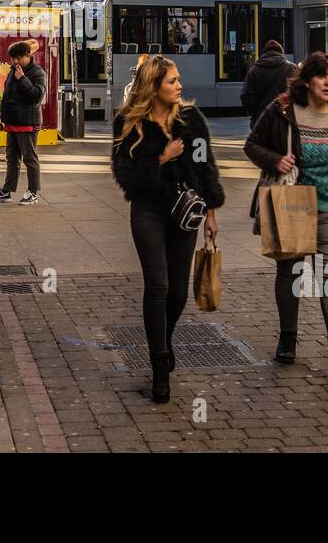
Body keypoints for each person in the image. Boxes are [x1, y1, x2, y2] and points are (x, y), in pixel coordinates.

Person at [244, 52, 328, 379]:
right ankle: (288, 336)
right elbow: (252, 145)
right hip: (293, 204)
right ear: (307, 81)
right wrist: (275, 160)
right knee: (291, 273)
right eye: (321, 76)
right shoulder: (283, 109)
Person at [110, 56, 224, 403]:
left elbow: (205, 167)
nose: (179, 86)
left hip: (183, 213)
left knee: (178, 292)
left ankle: (164, 339)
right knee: (157, 286)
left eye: (178, 80)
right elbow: (125, 175)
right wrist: (161, 158)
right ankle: (160, 367)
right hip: (147, 210)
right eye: (172, 81)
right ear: (153, 88)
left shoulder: (191, 121)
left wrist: (212, 211)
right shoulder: (129, 123)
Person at [0, 41, 46, 206]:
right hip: (12, 122)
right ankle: (7, 190)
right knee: (11, 158)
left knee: (29, 158)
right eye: (13, 58)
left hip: (28, 122)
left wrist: (23, 80)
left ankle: (32, 192)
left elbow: (36, 96)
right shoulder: (13, 71)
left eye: (19, 58)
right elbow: (8, 95)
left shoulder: (37, 73)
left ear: (28, 55)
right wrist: (2, 116)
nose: (15, 62)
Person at [240, 39, 294, 127]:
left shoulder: (254, 70)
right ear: (281, 52)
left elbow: (245, 95)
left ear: (264, 53)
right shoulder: (292, 68)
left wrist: (254, 112)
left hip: (260, 120)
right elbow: (301, 92)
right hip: (286, 120)